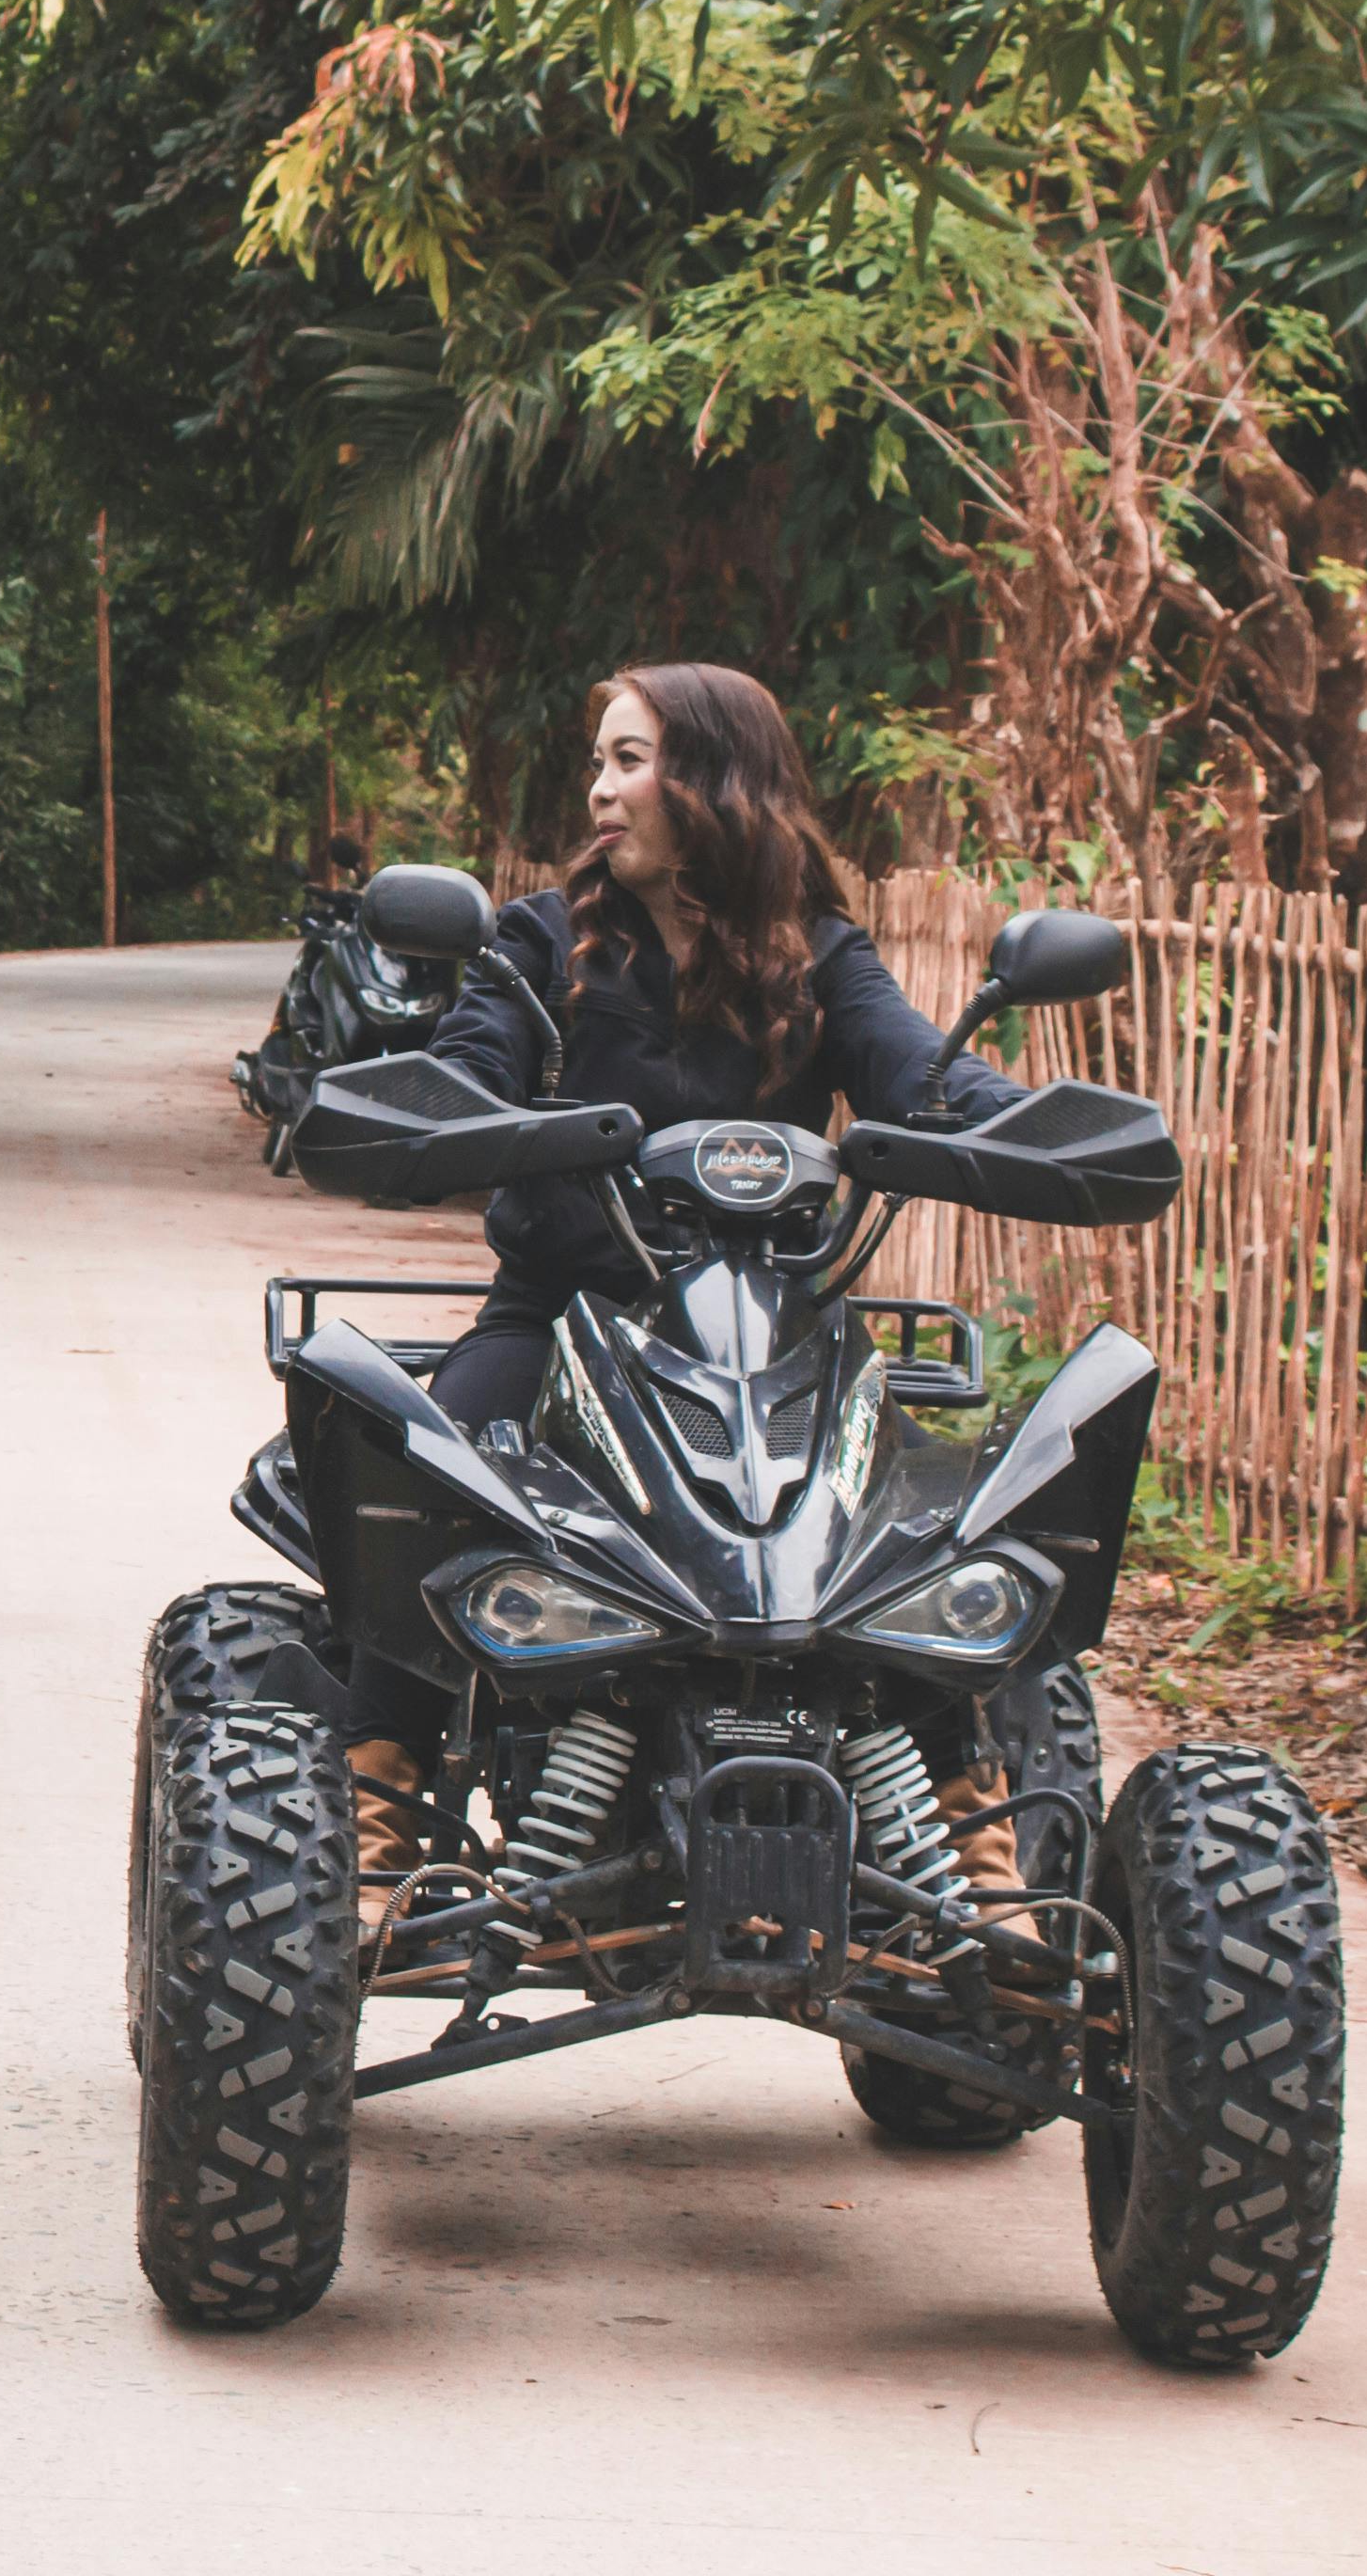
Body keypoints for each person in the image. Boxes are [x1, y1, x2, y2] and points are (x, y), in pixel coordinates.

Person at [344, 660, 1025, 1933]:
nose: (600, 792)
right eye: (599, 762)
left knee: (922, 1526)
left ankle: (984, 1874)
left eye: (630, 760)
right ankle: (376, 1830)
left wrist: (1026, 1124)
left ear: (714, 782)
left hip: (778, 1333)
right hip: (559, 1322)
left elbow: (918, 1076)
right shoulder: (536, 943)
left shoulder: (822, 954)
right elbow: (469, 1065)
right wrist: (429, 1108)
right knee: (424, 1476)